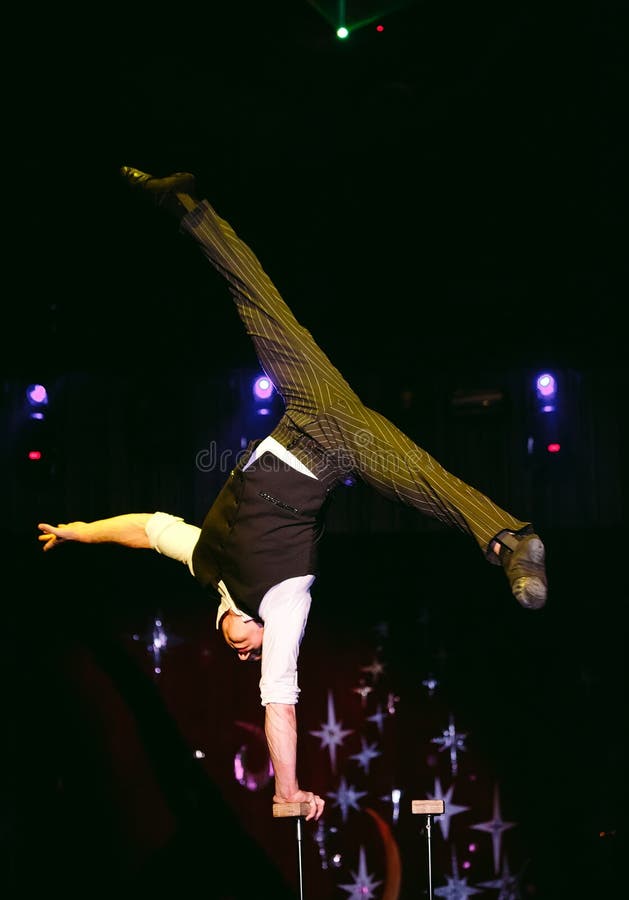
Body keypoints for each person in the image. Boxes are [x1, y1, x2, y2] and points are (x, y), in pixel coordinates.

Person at [37, 166, 548, 824]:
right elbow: (278, 705)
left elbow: (148, 527)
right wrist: (285, 788)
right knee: (419, 478)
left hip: (304, 410)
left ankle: (185, 206)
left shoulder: (208, 564)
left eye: (234, 646)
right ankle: (512, 540)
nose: (244, 649)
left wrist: (80, 530)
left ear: (225, 622)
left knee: (256, 299)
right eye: (246, 651)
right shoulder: (282, 607)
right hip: (339, 445)